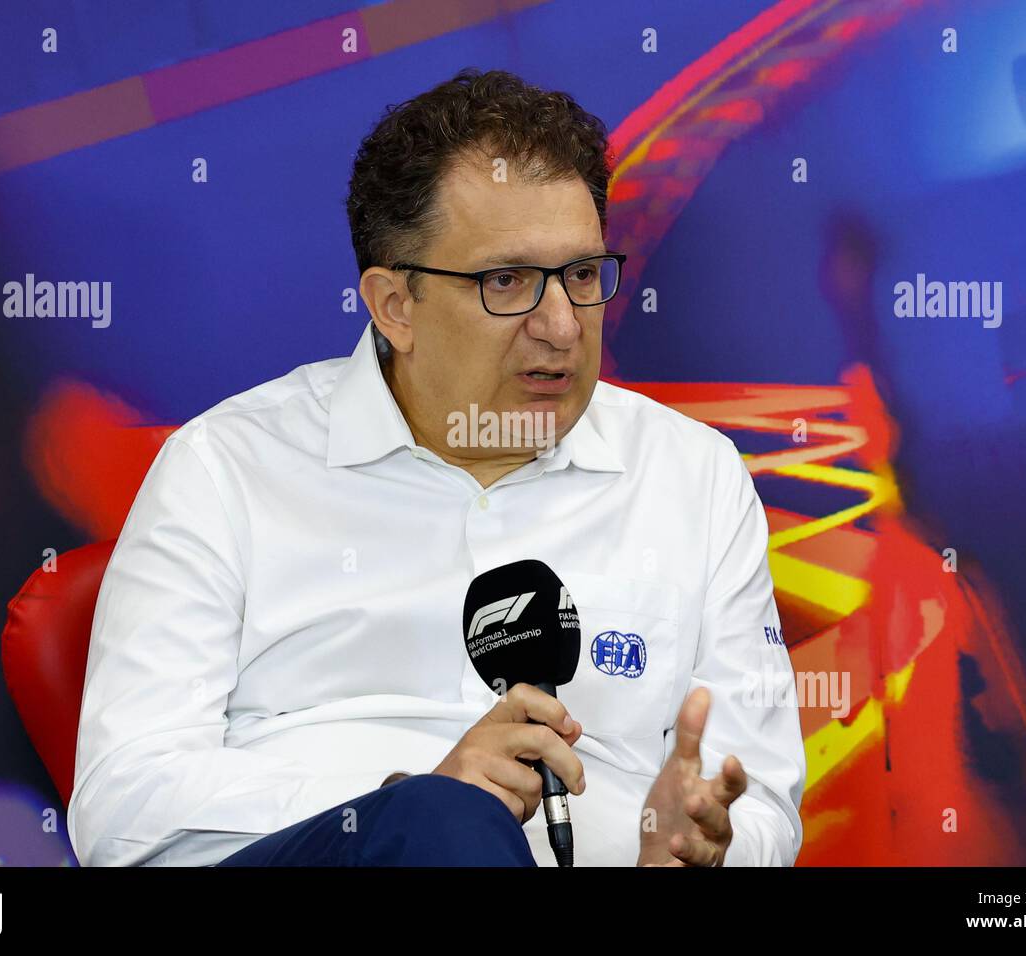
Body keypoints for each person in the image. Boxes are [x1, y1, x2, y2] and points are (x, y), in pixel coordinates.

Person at [66, 67, 806, 867]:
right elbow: (123, 806)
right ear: (394, 306)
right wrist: (405, 805)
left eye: (583, 276)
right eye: (509, 281)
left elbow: (758, 799)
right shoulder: (225, 470)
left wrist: (704, 848)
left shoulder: (694, 477)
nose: (561, 326)